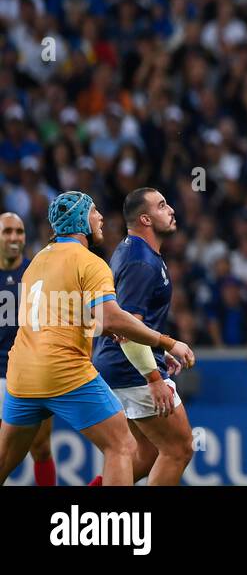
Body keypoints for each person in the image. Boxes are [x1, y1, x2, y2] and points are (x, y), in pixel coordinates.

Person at [0, 192, 195, 486]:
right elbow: (113, 317)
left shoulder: (37, 261)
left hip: (21, 373)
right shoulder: (89, 262)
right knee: (122, 447)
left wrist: (107, 328)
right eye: (94, 212)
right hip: (64, 371)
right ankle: (112, 528)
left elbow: (64, 318)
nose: (101, 217)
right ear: (81, 220)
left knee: (4, 460)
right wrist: (167, 342)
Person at [89, 188, 193, 486]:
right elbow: (126, 329)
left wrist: (159, 351)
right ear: (145, 218)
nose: (171, 209)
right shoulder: (142, 263)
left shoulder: (132, 250)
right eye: (162, 206)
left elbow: (130, 324)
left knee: (146, 453)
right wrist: (154, 378)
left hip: (117, 365)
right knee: (179, 449)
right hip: (131, 371)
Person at [0, 212, 56, 485]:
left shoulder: (37, 273)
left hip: (29, 374)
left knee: (42, 448)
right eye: (7, 231)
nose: (14, 237)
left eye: (19, 232)